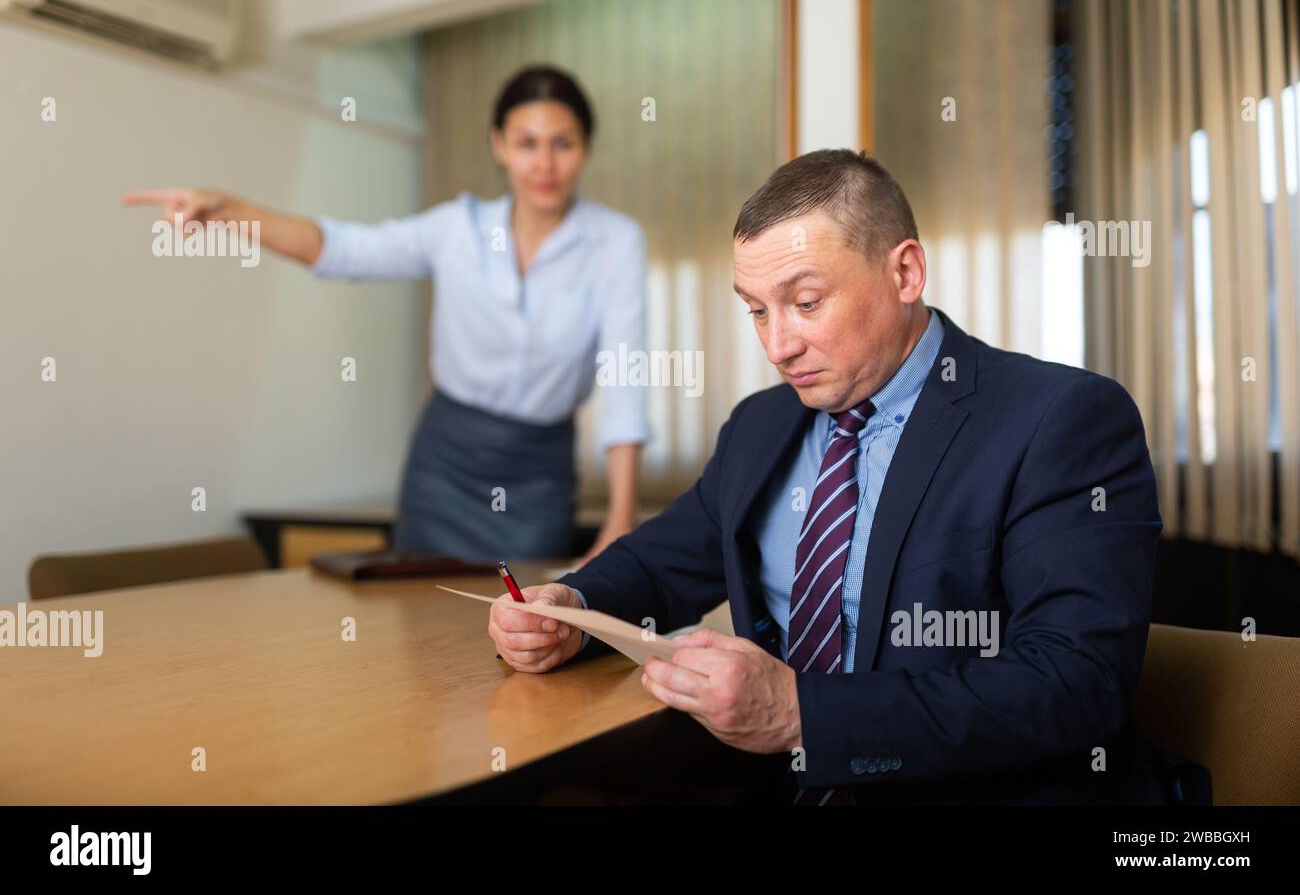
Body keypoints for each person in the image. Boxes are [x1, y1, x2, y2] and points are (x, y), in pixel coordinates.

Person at [487, 148, 1187, 804]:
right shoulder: (762, 424)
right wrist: (570, 610)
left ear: (905, 273)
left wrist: (802, 717)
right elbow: (666, 561)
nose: (778, 344)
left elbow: (1076, 683)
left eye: (807, 302)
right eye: (757, 310)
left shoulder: (1060, 419)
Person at [124, 66, 648, 563]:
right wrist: (231, 211)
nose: (545, 164)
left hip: (540, 472)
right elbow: (345, 250)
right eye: (526, 143)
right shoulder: (455, 229)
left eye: (563, 143)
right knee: (424, 622)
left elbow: (625, 381)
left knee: (531, 633)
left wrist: (620, 518)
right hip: (446, 462)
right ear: (499, 146)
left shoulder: (616, 242)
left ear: (586, 148)